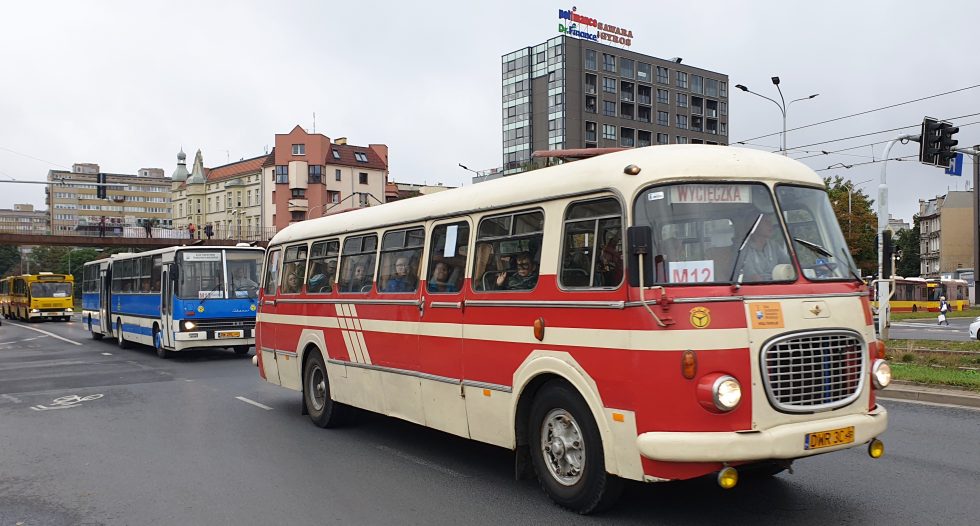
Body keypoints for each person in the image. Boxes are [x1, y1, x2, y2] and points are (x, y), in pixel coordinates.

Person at [738, 213, 789, 282]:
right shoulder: (743, 249)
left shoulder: (773, 246)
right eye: (766, 222)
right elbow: (753, 277)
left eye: (771, 222)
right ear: (754, 226)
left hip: (776, 284)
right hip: (756, 287)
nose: (770, 225)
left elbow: (789, 263)